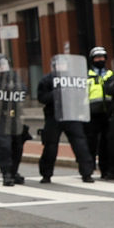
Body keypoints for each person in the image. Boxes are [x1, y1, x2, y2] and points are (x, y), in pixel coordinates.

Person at [35, 54, 96, 183]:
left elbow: (82, 94)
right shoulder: (47, 80)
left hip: (72, 115)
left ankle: (87, 173)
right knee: (50, 146)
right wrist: (56, 93)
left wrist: (80, 108)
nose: (61, 67)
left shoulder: (74, 78)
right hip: (54, 117)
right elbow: (41, 98)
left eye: (63, 64)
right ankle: (46, 174)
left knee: (80, 145)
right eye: (59, 64)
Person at [0, 54, 30, 187]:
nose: (3, 67)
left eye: (4, 64)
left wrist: (13, 87)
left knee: (17, 145)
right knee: (5, 146)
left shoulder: (14, 78)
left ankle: (14, 171)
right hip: (0, 118)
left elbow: (23, 89)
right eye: (0, 64)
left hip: (14, 116)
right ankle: (6, 173)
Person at [85, 46, 113, 167]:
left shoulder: (111, 75)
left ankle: (105, 169)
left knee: (106, 143)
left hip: (108, 113)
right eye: (97, 57)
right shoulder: (86, 76)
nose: (100, 59)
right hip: (91, 114)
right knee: (91, 142)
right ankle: (89, 168)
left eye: (102, 57)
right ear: (92, 59)